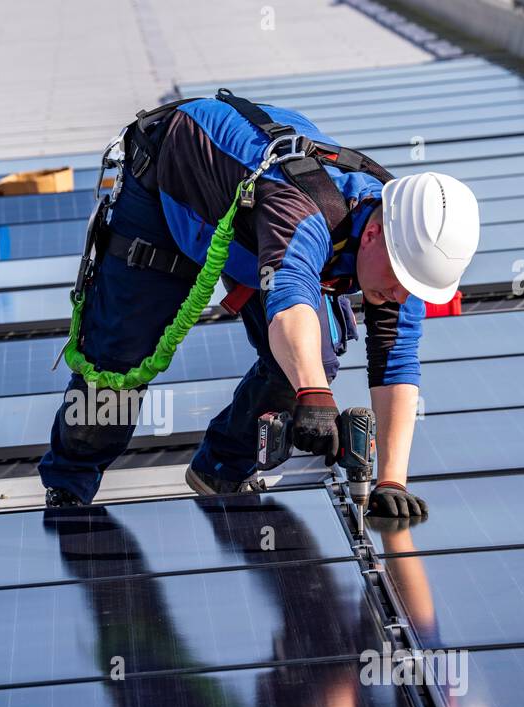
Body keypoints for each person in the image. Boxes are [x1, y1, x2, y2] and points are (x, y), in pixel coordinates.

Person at [38, 92, 481, 518]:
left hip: (249, 223)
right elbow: (289, 302)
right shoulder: (307, 213)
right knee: (116, 358)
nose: (403, 296)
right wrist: (313, 394)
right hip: (174, 188)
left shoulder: (405, 249)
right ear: (371, 235)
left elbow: (397, 362)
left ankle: (221, 470)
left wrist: (392, 481)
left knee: (314, 361)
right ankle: (69, 484)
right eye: (401, 282)